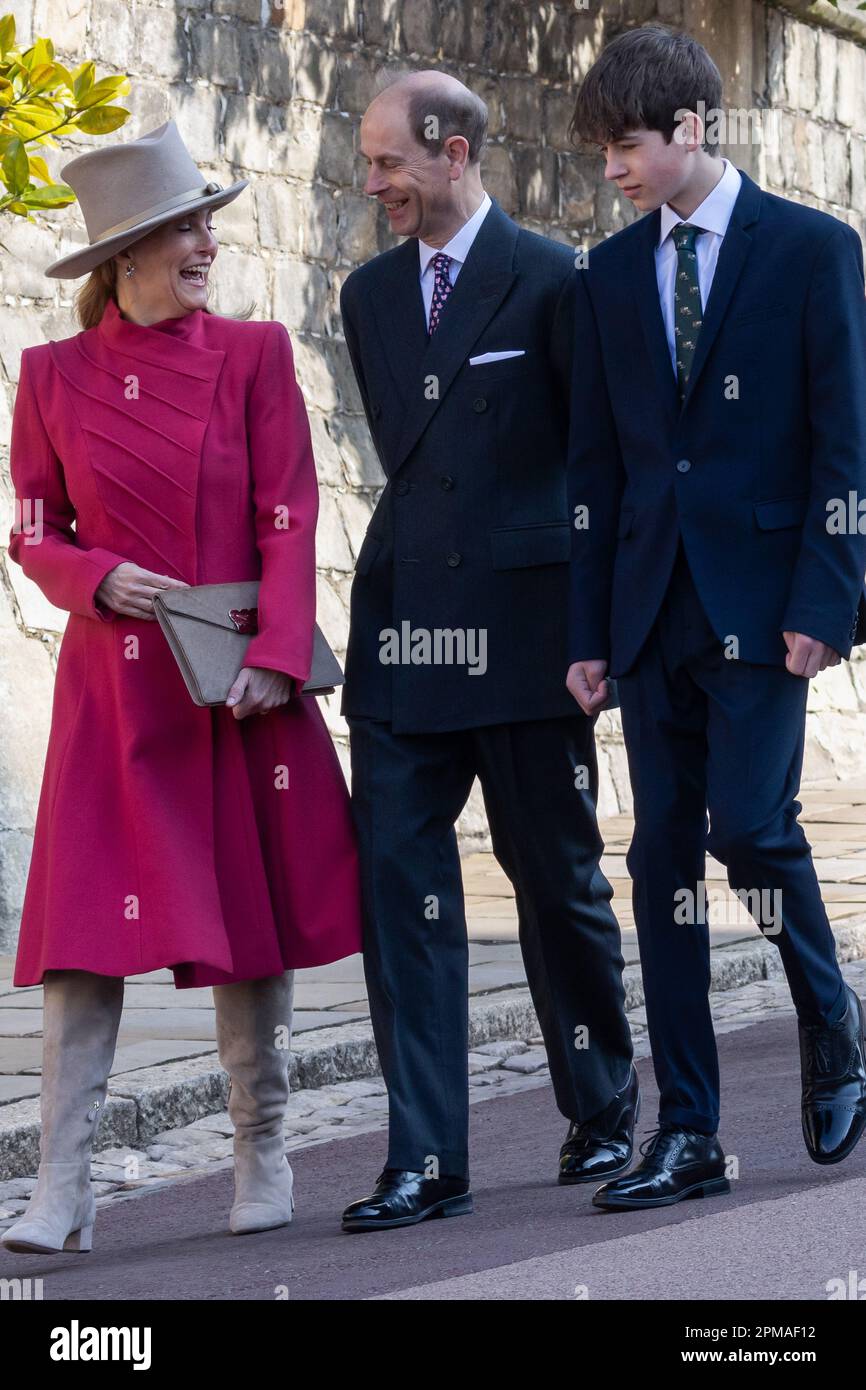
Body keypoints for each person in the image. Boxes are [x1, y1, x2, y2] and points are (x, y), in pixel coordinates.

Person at [1, 121, 362, 1254]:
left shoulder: (255, 355)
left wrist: (274, 654)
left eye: (206, 222)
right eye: (185, 227)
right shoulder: (49, 376)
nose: (207, 241)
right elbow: (30, 527)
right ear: (128, 254)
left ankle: (266, 1152)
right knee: (77, 937)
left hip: (237, 692)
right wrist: (97, 576)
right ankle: (62, 1190)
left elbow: (290, 514)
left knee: (244, 925)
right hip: (112, 699)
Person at [566, 25, 866, 1211]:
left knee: (748, 830)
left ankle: (830, 1014)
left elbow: (846, 440)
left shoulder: (809, 251)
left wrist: (827, 597)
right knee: (656, 863)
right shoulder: (603, 276)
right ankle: (686, 1129)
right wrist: (587, 631)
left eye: (623, 147)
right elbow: (595, 465)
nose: (609, 171)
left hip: (766, 606)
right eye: (599, 153)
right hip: (648, 612)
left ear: (690, 129)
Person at [338, 71, 636, 1233]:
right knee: (398, 897)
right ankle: (425, 1154)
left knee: (555, 882)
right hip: (405, 638)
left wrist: (593, 632)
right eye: (366, 164)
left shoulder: (559, 279)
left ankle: (602, 1101)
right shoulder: (365, 297)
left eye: (387, 163)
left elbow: (592, 466)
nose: (373, 185)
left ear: (453, 151)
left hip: (526, 640)